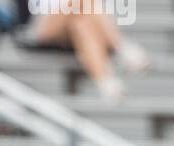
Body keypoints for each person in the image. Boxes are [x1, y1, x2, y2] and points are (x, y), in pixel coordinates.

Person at [15, 2, 151, 104]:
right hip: (39, 27)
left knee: (81, 24)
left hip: (72, 19)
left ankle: (105, 80)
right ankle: (121, 47)